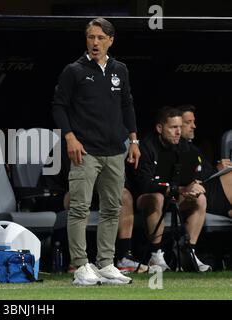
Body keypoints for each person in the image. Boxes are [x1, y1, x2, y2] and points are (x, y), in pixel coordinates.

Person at [52, 17, 140, 285]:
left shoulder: (120, 70)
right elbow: (58, 106)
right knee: (79, 208)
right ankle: (80, 266)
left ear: (110, 40)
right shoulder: (74, 70)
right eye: (91, 37)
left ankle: (106, 264)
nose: (95, 42)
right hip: (85, 151)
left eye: (101, 38)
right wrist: (69, 137)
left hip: (115, 151)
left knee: (113, 208)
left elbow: (127, 106)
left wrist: (133, 141)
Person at [130, 106, 211, 272]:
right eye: (174, 127)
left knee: (200, 199)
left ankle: (188, 252)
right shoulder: (147, 146)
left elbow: (204, 168)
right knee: (157, 198)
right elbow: (144, 184)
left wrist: (194, 183)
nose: (178, 132)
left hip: (174, 196)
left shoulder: (184, 147)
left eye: (180, 127)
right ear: (160, 128)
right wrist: (174, 188)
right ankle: (156, 255)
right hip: (144, 199)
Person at [178, 104, 232, 218]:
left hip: (209, 187)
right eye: (188, 122)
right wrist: (216, 169)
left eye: (193, 122)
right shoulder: (178, 147)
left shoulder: (191, 147)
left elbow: (203, 169)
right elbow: (194, 174)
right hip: (200, 191)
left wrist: (217, 169)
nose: (194, 126)